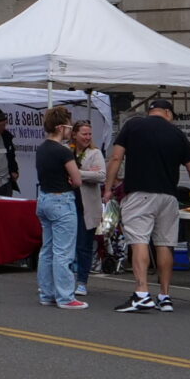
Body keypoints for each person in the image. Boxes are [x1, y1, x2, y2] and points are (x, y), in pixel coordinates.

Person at [109, 94, 190, 314]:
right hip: (169, 196)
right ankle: (165, 295)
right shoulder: (177, 133)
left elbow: (116, 158)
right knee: (165, 244)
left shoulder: (132, 126)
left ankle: (141, 292)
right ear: (168, 113)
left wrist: (108, 186)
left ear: (151, 111)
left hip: (139, 192)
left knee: (139, 239)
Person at [33, 107, 84, 309]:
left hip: (44, 198)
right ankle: (65, 297)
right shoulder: (63, 151)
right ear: (61, 127)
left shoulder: (42, 148)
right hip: (62, 200)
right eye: (69, 127)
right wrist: (71, 179)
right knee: (63, 252)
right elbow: (78, 180)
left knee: (47, 250)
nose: (70, 131)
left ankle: (47, 293)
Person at [72, 119, 107, 296]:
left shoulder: (95, 153)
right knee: (68, 244)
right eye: (84, 134)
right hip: (70, 202)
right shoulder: (67, 150)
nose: (87, 137)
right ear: (74, 134)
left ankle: (82, 281)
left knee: (84, 245)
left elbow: (101, 175)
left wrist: (77, 174)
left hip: (87, 205)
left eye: (89, 134)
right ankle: (66, 278)